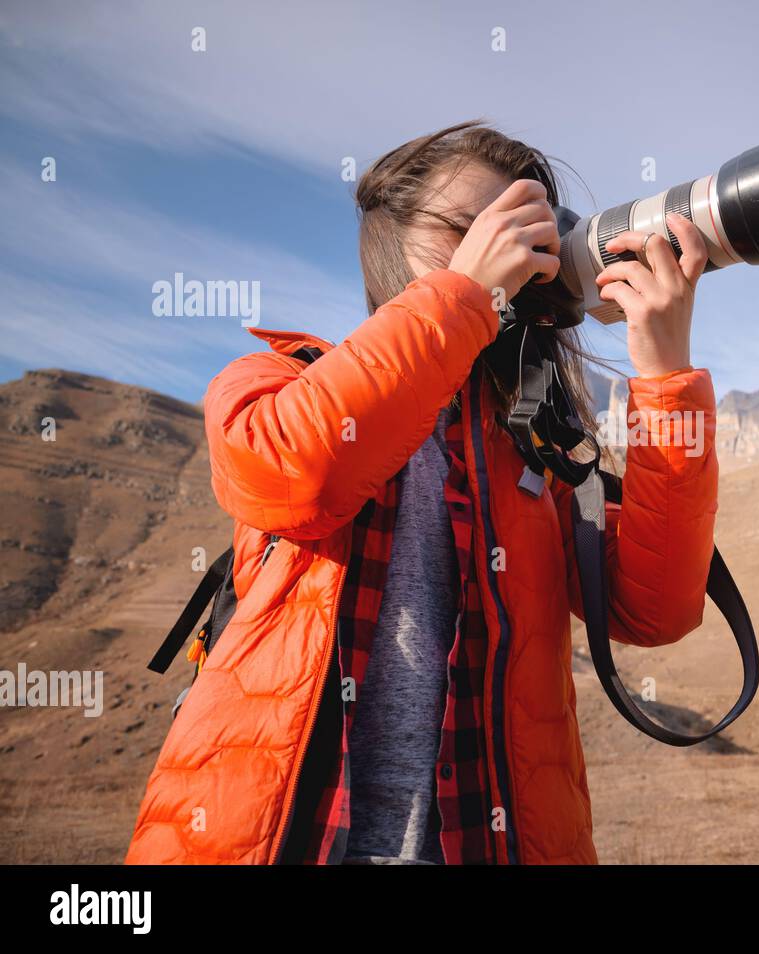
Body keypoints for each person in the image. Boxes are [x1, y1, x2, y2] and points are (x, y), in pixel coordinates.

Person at [125, 120, 719, 864]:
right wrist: (466, 293)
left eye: (526, 233)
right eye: (473, 229)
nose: (508, 251)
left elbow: (656, 610)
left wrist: (665, 374)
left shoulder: (535, 443)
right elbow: (298, 475)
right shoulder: (277, 381)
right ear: (390, 242)